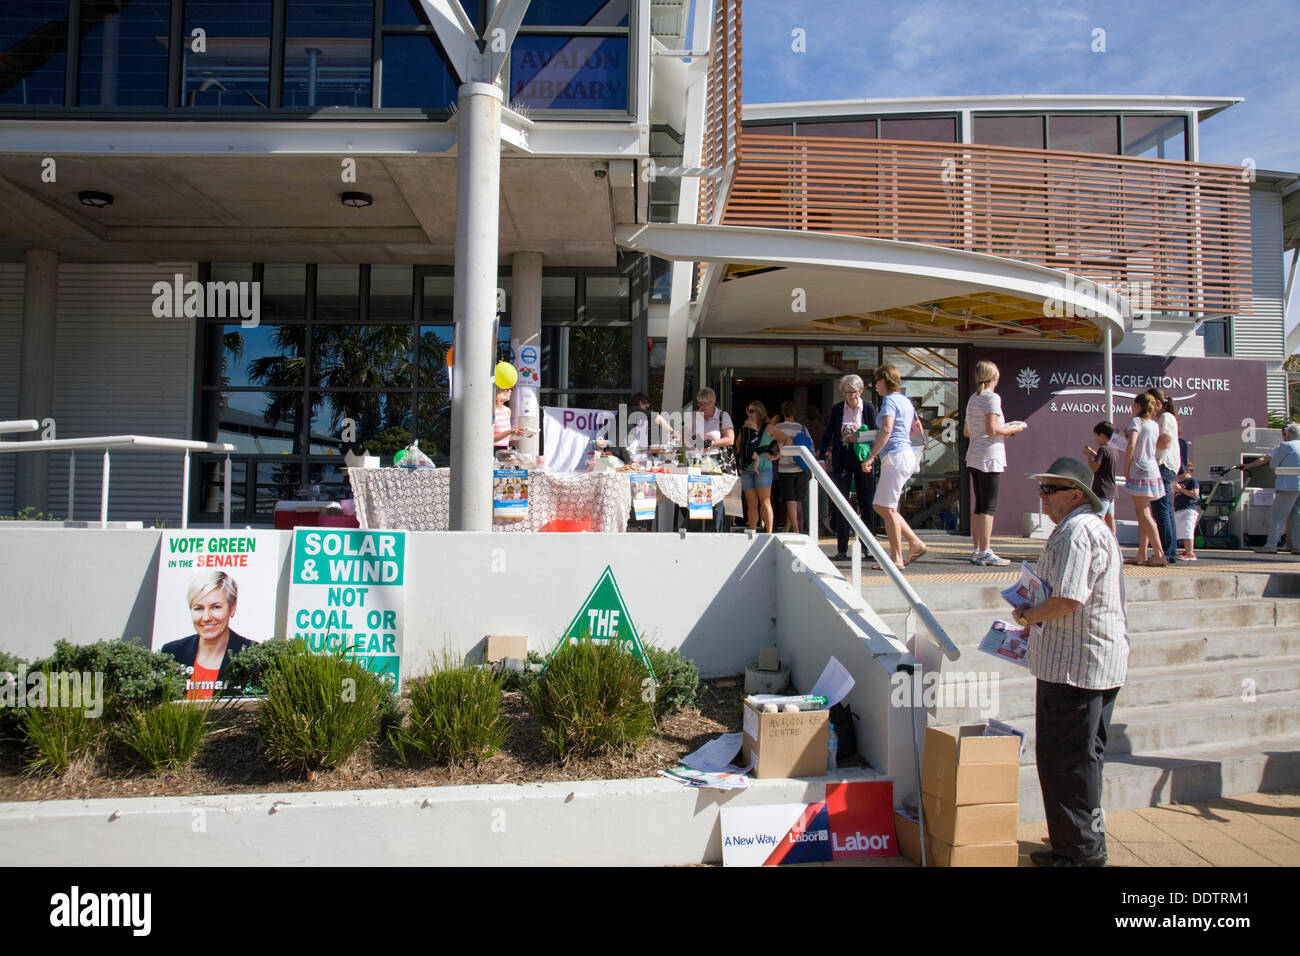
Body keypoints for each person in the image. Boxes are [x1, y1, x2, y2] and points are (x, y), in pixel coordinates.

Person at [1014, 457, 1128, 867]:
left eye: (1050, 490)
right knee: (1082, 760)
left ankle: (1079, 852)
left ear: (1075, 494)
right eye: (1042, 489)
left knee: (1065, 763)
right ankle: (1080, 844)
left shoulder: (1075, 533)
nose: (1042, 497)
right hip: (1092, 663)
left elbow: (1067, 598)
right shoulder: (1091, 528)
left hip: (1074, 669)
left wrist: (1027, 615)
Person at [861, 364, 927, 570]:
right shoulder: (906, 402)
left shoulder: (889, 401)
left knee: (886, 508)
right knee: (882, 506)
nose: (876, 386)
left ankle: (896, 557)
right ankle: (914, 543)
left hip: (895, 456)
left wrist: (871, 456)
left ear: (884, 381)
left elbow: (887, 429)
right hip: (904, 455)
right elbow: (915, 428)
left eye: (877, 381)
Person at [964, 360, 1027, 565]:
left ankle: (977, 549)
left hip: (974, 454)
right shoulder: (992, 398)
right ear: (994, 377)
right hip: (990, 456)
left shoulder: (973, 398)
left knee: (979, 505)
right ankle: (986, 551)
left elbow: (967, 431)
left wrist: (1002, 432)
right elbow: (992, 429)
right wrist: (1012, 429)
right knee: (989, 506)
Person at [161, 571, 255, 701]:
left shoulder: (253, 655)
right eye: (198, 608)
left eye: (216, 607)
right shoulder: (172, 653)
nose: (206, 618)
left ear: (232, 608)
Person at [818, 374, 878, 561]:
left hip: (863, 458)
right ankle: (842, 549)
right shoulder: (837, 410)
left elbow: (876, 434)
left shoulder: (868, 408)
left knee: (866, 502)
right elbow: (828, 435)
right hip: (842, 459)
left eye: (854, 392)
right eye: (847, 393)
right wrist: (821, 458)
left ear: (860, 391)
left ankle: (869, 548)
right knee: (842, 503)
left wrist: (856, 437)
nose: (851, 396)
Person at [1239, 422, 1300, 554]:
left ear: (1288, 434)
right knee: (1297, 515)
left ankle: (1271, 545)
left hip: (1287, 485)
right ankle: (1297, 545)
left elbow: (1273, 464)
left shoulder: (1286, 445)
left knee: (1278, 516)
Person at [1123, 393, 1167, 566]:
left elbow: (1131, 445)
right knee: (1142, 512)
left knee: (1144, 513)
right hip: (1152, 469)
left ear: (1138, 406)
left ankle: (1159, 554)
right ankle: (1142, 553)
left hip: (1139, 469)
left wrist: (1126, 467)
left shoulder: (1136, 422)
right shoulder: (1154, 425)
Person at [684, 387, 734, 532]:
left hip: (716, 460)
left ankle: (715, 534)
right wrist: (693, 441)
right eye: (700, 403)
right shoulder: (694, 416)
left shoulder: (722, 416)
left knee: (716, 501)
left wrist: (712, 443)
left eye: (705, 404)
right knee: (697, 499)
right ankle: (694, 535)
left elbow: (730, 439)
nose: (702, 407)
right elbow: (684, 438)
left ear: (713, 402)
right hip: (697, 460)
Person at [735, 401, 788, 533]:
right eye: (747, 410)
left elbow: (787, 440)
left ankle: (768, 533)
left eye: (752, 411)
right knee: (751, 504)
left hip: (764, 468)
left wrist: (777, 455)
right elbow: (738, 445)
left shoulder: (769, 428)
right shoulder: (746, 427)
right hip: (747, 468)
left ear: (760, 413)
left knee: (765, 502)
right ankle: (752, 531)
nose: (749, 413)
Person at [1146, 388, 1181, 564]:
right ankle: (1170, 552)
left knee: (1162, 511)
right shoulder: (1166, 418)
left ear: (1158, 403)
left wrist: (1146, 443)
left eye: (1151, 403)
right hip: (1167, 466)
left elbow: (1164, 442)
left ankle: (1166, 552)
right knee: (1165, 511)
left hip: (1163, 465)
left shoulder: (1165, 418)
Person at [772, 401, 811, 533]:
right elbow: (811, 446)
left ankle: (796, 530)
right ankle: (787, 528)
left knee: (789, 499)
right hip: (800, 468)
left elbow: (768, 437)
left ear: (783, 413)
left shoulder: (778, 427)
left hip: (785, 467)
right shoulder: (802, 428)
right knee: (796, 500)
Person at [1083, 421, 1118, 535]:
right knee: (1110, 518)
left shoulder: (1102, 449)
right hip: (1111, 490)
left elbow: (1094, 467)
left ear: (1102, 435)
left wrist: (1089, 456)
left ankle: (1105, 538)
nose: (1095, 439)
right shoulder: (1113, 450)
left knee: (1099, 517)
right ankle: (1113, 541)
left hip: (1102, 489)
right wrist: (1093, 453)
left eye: (1096, 436)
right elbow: (1104, 461)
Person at [1173, 464, 1200, 560]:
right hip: (1179, 509)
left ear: (1187, 471)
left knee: (1187, 530)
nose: (1178, 475)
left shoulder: (1192, 481)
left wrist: (1180, 489)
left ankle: (1190, 552)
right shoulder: (1180, 482)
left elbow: (1195, 493)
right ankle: (1186, 551)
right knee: (1180, 531)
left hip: (1189, 509)